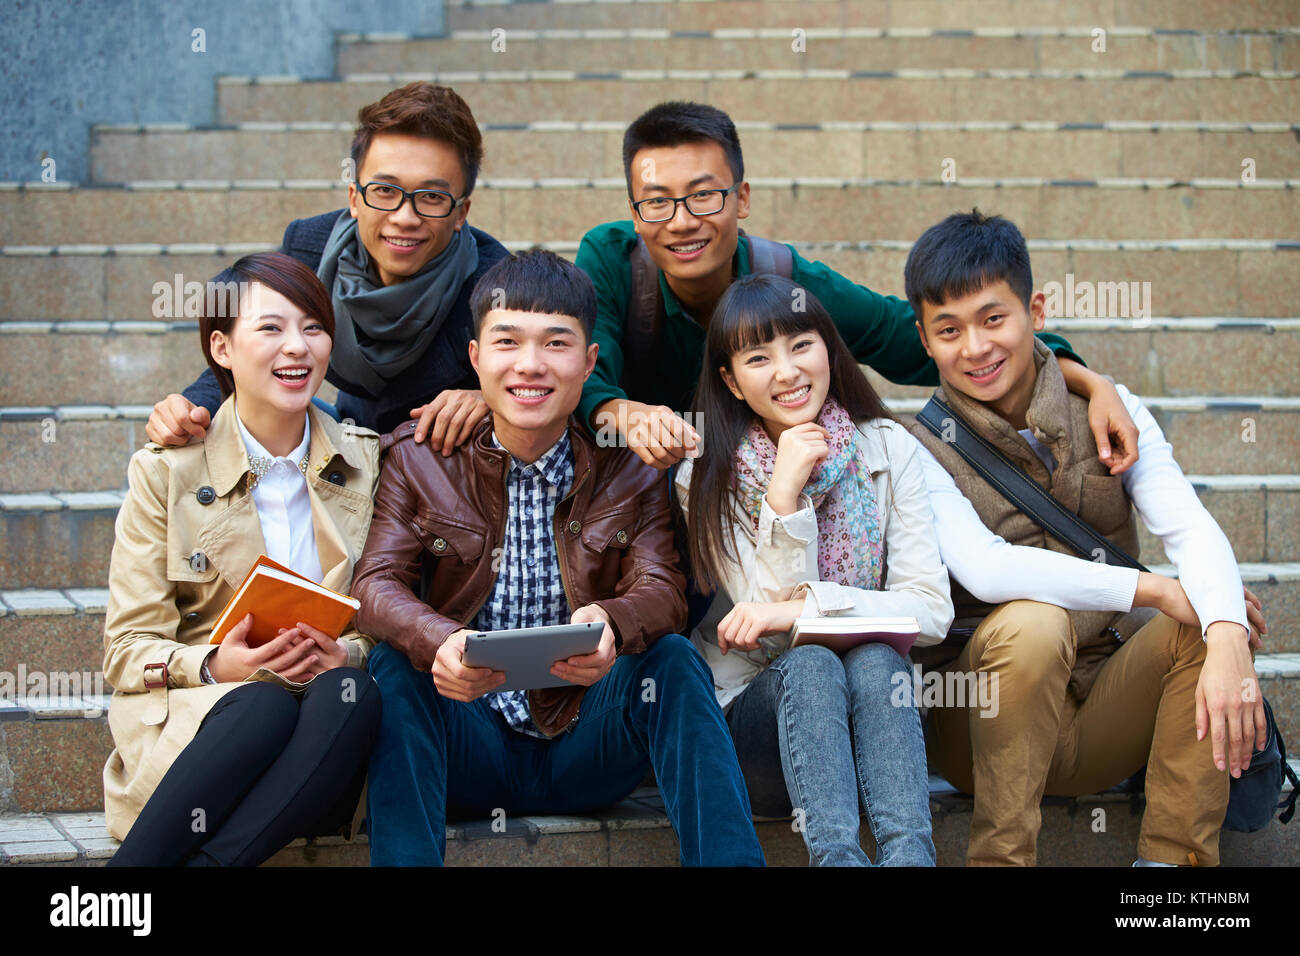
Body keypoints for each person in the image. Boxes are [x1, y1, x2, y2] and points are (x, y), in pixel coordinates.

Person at [353, 249, 765, 866]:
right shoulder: (420, 458)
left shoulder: (630, 466)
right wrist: (439, 639)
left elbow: (663, 588)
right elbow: (374, 586)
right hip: (467, 738)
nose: (529, 365)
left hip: (585, 741)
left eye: (555, 344)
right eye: (507, 342)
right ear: (475, 358)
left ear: (589, 360)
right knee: (394, 665)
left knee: (675, 660)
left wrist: (612, 623)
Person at [902, 209, 1267, 867]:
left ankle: (1170, 866)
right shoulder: (917, 450)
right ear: (924, 341)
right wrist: (1155, 589)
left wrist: (1227, 633)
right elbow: (985, 570)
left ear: (1035, 311)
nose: (975, 347)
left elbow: (1189, 527)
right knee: (1036, 624)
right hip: (979, 725)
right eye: (949, 330)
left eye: (993, 319)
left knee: (1209, 619)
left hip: (1102, 709)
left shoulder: (1112, 409)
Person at [572, 100, 1139, 477]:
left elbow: (925, 339)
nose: (681, 221)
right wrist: (623, 412)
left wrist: (1086, 378)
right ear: (634, 210)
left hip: (765, 505)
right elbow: (580, 367)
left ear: (741, 198)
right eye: (657, 201)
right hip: (639, 505)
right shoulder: (613, 258)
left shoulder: (790, 286)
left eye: (703, 196)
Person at [102, 252, 383, 866]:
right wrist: (214, 666)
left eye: (314, 327)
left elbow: (388, 615)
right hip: (205, 727)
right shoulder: (166, 473)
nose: (298, 347)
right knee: (261, 701)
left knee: (350, 693)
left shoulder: (368, 464)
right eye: (271, 328)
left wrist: (349, 651)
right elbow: (126, 650)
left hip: (322, 735)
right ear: (222, 349)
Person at [675, 274, 953, 866]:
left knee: (879, 658)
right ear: (730, 380)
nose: (786, 371)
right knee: (810, 663)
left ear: (829, 348)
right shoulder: (701, 478)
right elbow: (771, 635)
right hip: (761, 723)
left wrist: (801, 610)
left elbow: (929, 611)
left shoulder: (888, 447)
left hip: (876, 721)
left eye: (801, 345)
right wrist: (783, 495)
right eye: (758, 357)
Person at [146, 82, 509, 449]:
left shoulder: (495, 283)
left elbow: (540, 380)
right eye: (384, 191)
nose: (404, 217)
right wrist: (190, 408)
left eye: (431, 197)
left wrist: (490, 401)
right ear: (354, 198)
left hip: (441, 457)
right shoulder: (310, 247)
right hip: (345, 432)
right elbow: (250, 349)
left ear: (461, 211)